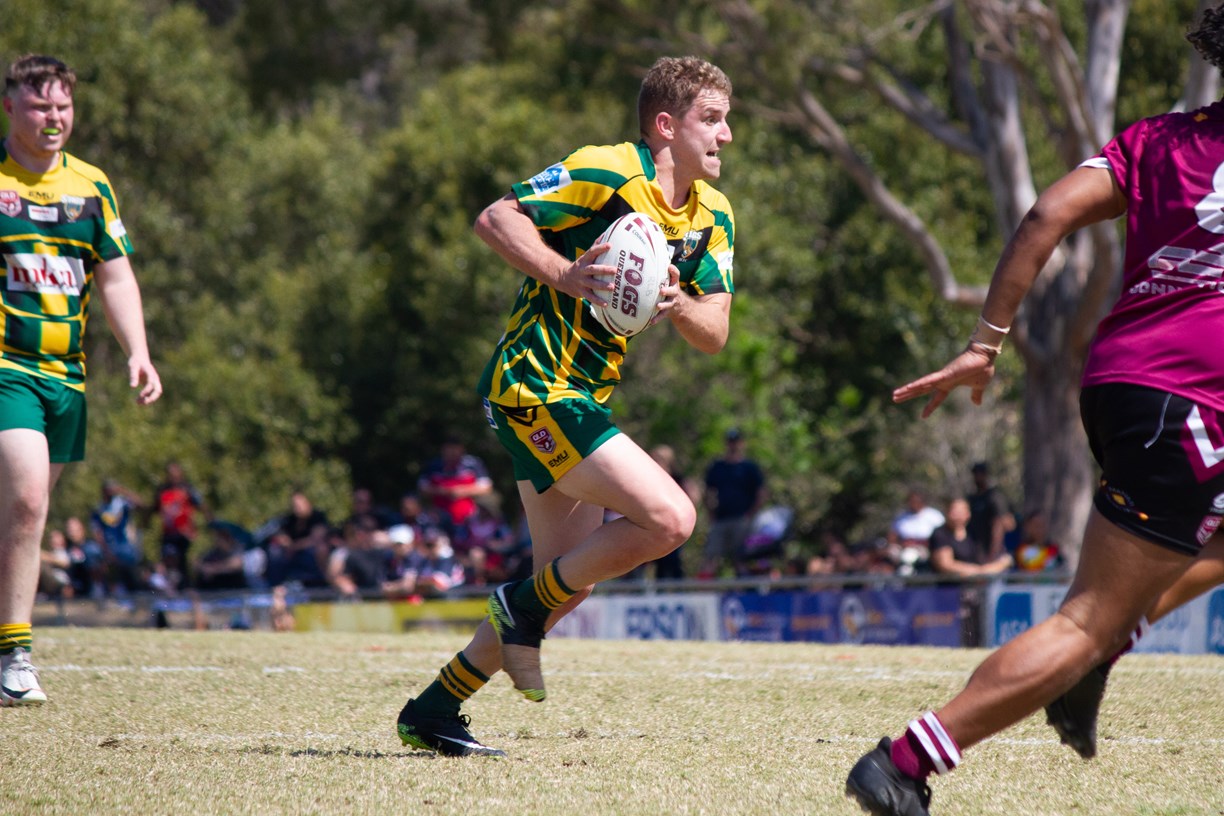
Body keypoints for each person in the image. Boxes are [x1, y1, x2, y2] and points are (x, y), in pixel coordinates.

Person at [845, 8, 1224, 813]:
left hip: (1124, 382)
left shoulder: (1158, 139)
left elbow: (1046, 213)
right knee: (1088, 619)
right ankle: (903, 763)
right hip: (1187, 402)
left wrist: (985, 343)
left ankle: (1094, 653)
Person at [394, 55, 736, 757]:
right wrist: (565, 273)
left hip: (581, 396)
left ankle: (433, 709)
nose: (727, 135)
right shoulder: (606, 169)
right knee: (671, 517)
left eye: (728, 119)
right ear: (666, 125)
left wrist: (680, 305)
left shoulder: (714, 216)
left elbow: (718, 330)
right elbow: (496, 218)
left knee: (565, 585)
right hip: (534, 383)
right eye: (712, 118)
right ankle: (517, 605)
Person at [0, 55, 161, 706]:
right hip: (8, 366)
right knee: (29, 500)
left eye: (62, 107)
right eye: (40, 106)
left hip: (68, 378)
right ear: (10, 107)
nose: (53, 118)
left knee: (20, 519)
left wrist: (139, 351)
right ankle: (15, 658)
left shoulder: (92, 186)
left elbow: (116, 274)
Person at [929, 498, 1012, 647]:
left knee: (975, 637)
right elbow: (945, 564)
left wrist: (996, 565)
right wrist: (977, 572)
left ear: (968, 514)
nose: (957, 515)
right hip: (948, 594)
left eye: (961, 511)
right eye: (954, 511)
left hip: (975, 593)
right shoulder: (940, 534)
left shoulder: (974, 534)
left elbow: (985, 562)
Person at [699, 429, 766, 578]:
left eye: (736, 442)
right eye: (730, 441)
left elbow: (760, 494)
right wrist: (711, 513)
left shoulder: (749, 468)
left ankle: (745, 592)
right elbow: (708, 492)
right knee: (710, 556)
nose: (733, 445)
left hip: (742, 519)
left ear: (742, 443)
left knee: (741, 558)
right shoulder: (718, 467)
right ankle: (702, 594)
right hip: (720, 519)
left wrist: (751, 515)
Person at [417, 438, 494, 542]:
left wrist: (462, 491)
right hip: (439, 516)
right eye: (449, 448)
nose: (452, 452)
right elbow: (423, 488)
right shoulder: (434, 465)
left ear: (462, 449)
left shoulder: (473, 464)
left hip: (470, 516)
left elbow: (486, 487)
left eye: (455, 448)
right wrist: (444, 491)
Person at [150, 461, 205, 589]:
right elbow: (155, 509)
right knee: (169, 561)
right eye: (170, 473)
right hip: (169, 534)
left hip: (185, 533)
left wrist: (206, 525)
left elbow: (201, 506)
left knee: (186, 564)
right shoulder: (162, 490)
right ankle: (171, 591)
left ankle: (190, 591)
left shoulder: (188, 489)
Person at [89, 478, 146, 595]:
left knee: (129, 562)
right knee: (92, 553)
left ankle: (135, 591)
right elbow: (97, 532)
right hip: (107, 545)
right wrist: (105, 549)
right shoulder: (99, 509)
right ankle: (101, 590)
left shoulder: (122, 504)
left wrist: (123, 491)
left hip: (124, 544)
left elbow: (141, 505)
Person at [965, 461, 1015, 558]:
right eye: (976, 474)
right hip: (973, 545)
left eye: (981, 473)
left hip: (991, 548)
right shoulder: (971, 499)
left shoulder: (995, 497)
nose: (978, 477)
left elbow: (1001, 523)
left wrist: (994, 550)